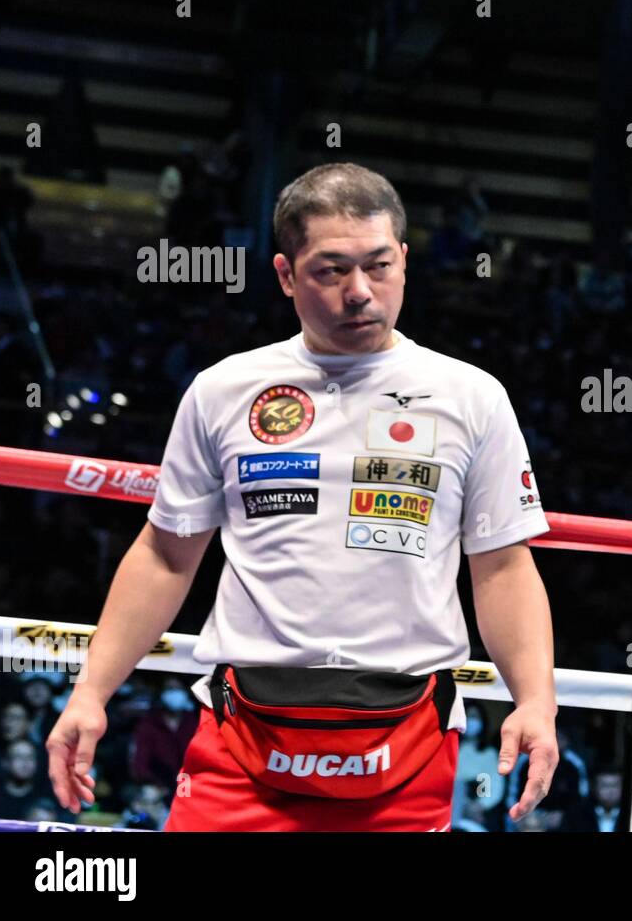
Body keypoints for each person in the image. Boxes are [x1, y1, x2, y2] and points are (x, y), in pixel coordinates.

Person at [46, 162, 559, 831]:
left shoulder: (471, 396)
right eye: (331, 271)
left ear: (404, 260)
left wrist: (537, 702)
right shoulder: (225, 390)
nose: (359, 293)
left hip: (406, 746)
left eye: (378, 266)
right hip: (242, 742)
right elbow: (167, 556)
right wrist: (90, 693)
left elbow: (504, 566)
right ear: (287, 274)